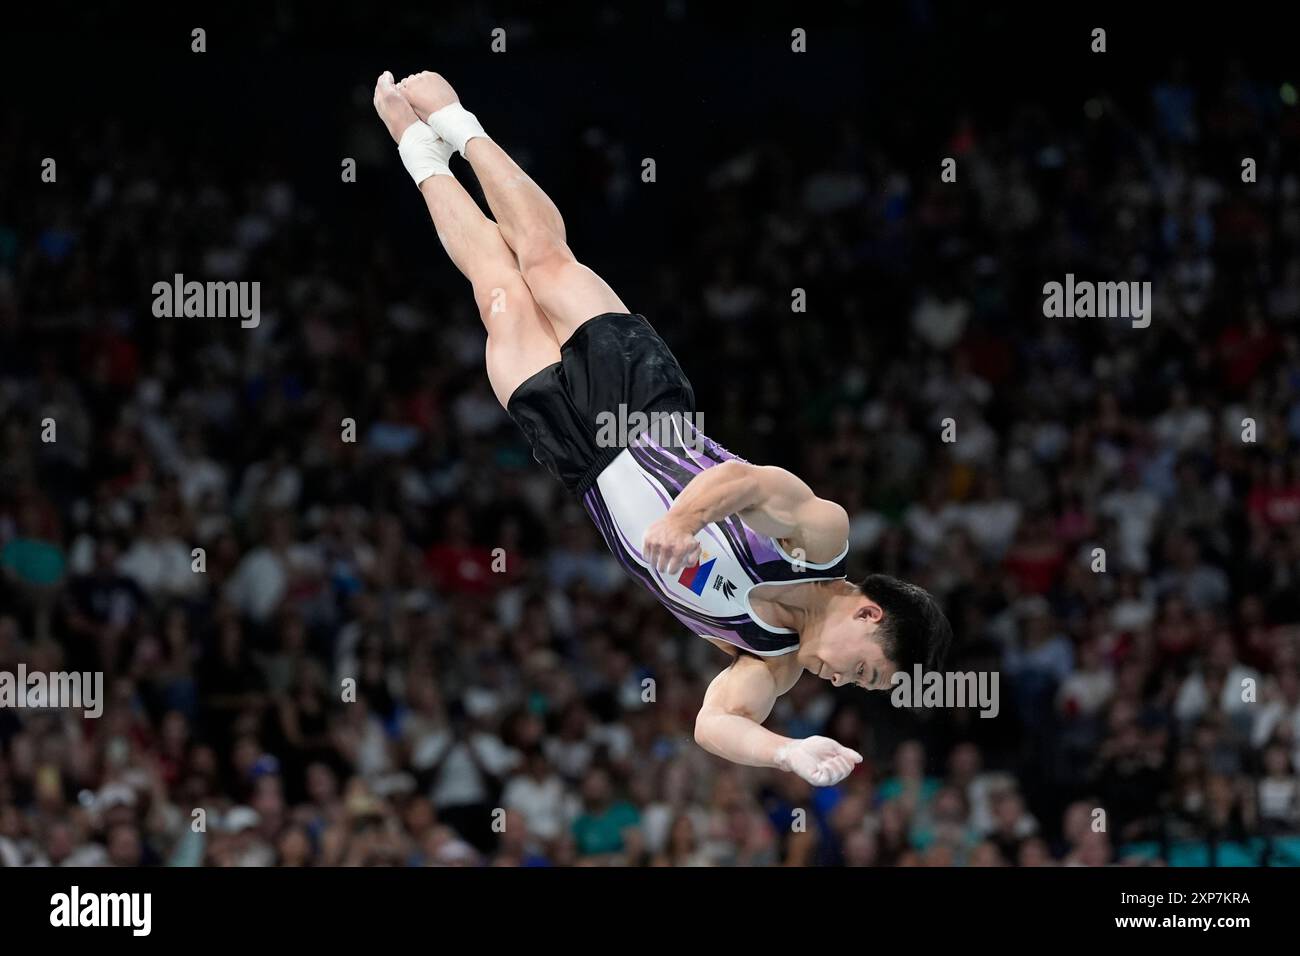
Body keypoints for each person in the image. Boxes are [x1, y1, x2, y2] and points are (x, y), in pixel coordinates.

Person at [371, 70, 952, 787]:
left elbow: (714, 724)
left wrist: (787, 752)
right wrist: (681, 522)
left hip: (582, 459)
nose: (838, 682)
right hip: (645, 408)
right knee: (547, 260)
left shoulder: (768, 659)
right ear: (867, 614)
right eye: (862, 672)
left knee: (498, 296)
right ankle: (460, 124)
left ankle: (414, 149)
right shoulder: (821, 539)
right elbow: (741, 481)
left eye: (856, 687)